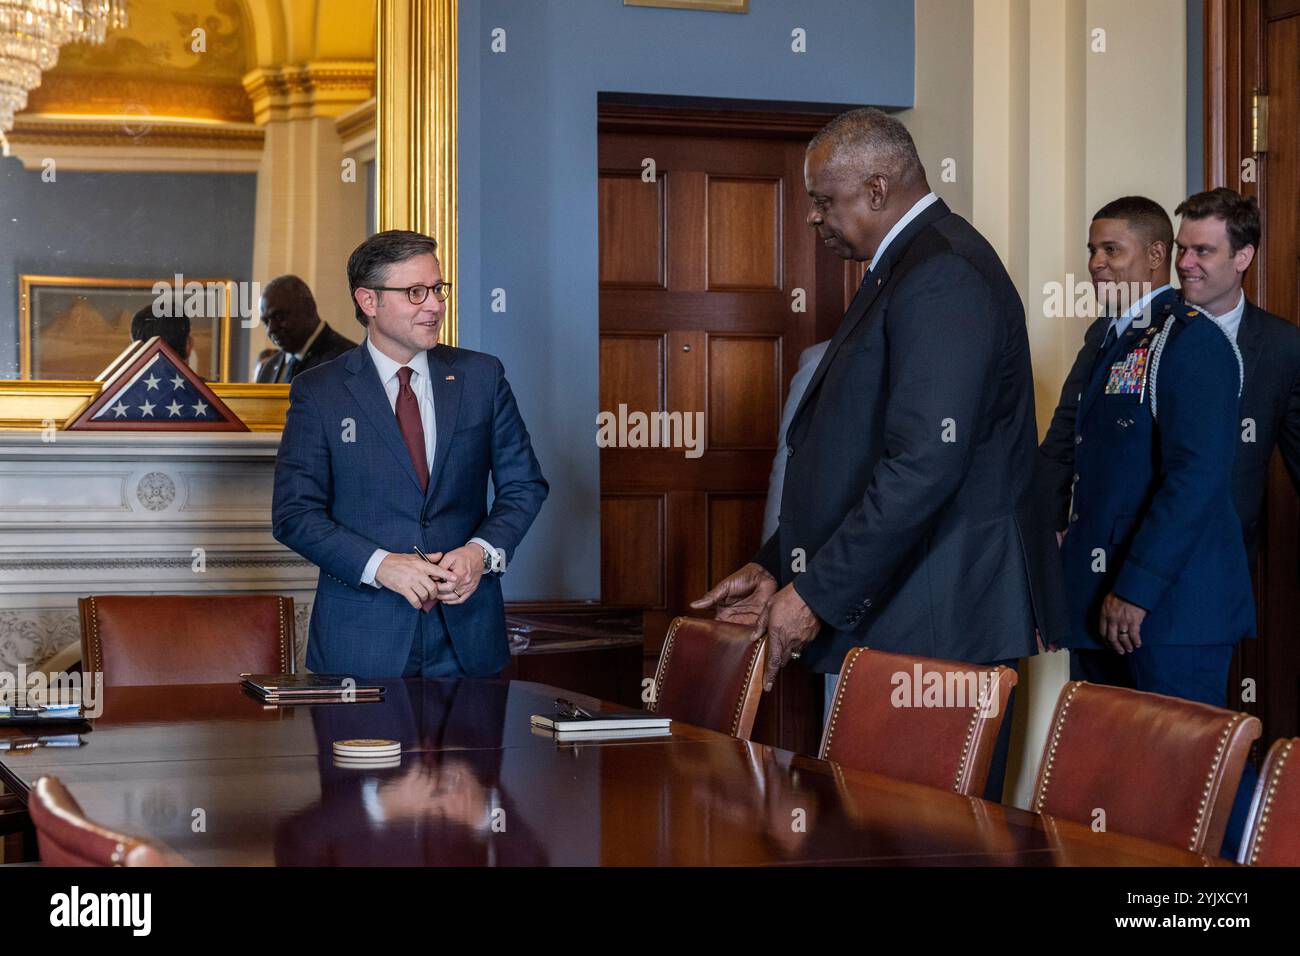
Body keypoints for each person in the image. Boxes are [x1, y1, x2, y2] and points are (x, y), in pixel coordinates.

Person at [692, 108, 1064, 801]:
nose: (813, 218)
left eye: (823, 200)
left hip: (939, 617)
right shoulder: (909, 265)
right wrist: (779, 565)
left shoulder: (943, 272)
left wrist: (817, 592)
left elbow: (924, 464)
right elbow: (856, 457)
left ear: (875, 189)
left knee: (925, 841)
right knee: (876, 831)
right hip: (907, 606)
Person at [272, 230, 548, 678]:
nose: (435, 305)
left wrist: (480, 552)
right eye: (416, 292)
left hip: (468, 639)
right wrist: (383, 566)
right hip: (361, 640)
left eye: (438, 289)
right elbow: (294, 515)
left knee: (477, 752)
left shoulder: (482, 376)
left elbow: (524, 485)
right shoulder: (318, 393)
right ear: (369, 301)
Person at [1039, 195, 1253, 705]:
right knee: (1107, 772)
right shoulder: (1102, 337)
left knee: (1182, 775)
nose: (1096, 263)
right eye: (1092, 250)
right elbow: (1061, 449)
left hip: (1171, 608)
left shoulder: (1191, 340)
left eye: (1111, 249)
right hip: (1095, 601)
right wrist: (1050, 582)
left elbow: (1195, 478)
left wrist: (1137, 589)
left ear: (1156, 256)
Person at [1174, 188, 1300, 562]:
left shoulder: (1282, 346)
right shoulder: (1147, 331)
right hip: (1138, 557)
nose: (1185, 262)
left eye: (1203, 251)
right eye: (1182, 248)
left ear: (1243, 256)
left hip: (1227, 559)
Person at [254, 274, 357, 382]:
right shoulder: (269, 368)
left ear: (309, 307)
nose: (271, 329)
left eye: (279, 317)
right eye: (266, 322)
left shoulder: (350, 361)